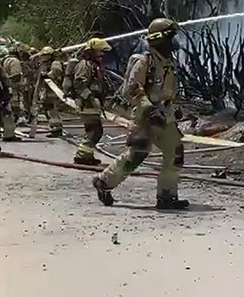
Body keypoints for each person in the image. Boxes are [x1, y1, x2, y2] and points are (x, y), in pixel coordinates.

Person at [93, 18, 187, 209]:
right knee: (137, 155)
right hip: (146, 117)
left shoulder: (168, 64)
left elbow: (167, 92)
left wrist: (174, 110)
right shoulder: (144, 62)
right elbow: (132, 90)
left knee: (175, 152)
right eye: (170, 37)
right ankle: (104, 182)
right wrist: (148, 108)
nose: (174, 42)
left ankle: (167, 197)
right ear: (160, 39)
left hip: (164, 117)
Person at [71, 38, 111, 166]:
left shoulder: (94, 65)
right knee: (95, 131)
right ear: (91, 51)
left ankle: (86, 155)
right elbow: (79, 84)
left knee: (93, 131)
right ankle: (82, 156)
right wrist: (90, 98)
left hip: (93, 102)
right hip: (87, 103)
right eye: (100, 52)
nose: (102, 55)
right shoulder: (84, 65)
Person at [30, 46, 64, 138]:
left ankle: (57, 128)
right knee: (48, 109)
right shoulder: (45, 64)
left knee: (52, 109)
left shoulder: (55, 63)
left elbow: (57, 72)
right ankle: (54, 127)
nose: (43, 57)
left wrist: (47, 75)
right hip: (46, 90)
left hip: (53, 90)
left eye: (45, 55)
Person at [0, 46, 24, 141]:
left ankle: (7, 132)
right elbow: (16, 75)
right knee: (13, 112)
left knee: (7, 111)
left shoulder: (5, 61)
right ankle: (9, 134)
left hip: (6, 90)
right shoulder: (14, 61)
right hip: (13, 90)